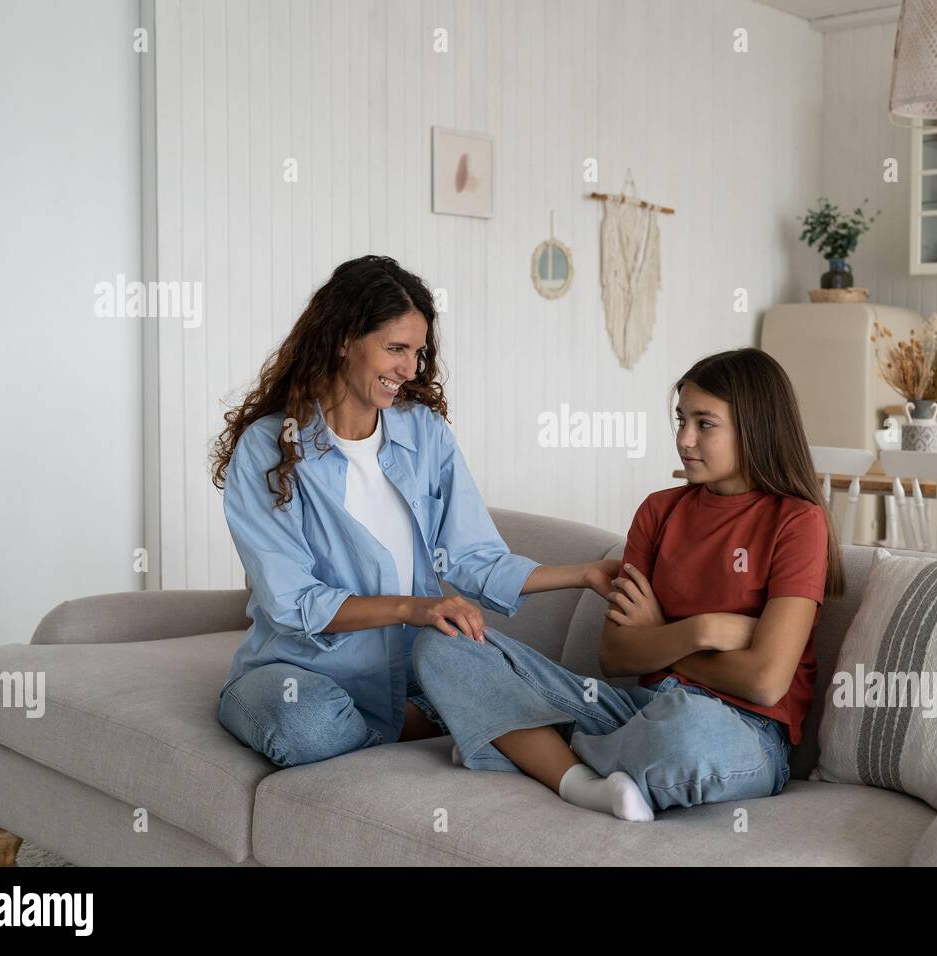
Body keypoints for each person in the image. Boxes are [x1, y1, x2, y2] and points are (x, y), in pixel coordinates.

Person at [209, 254, 619, 768]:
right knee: (305, 723)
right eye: (395, 348)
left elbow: (473, 557)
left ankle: (415, 719)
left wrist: (584, 573)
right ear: (342, 339)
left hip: (406, 675)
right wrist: (414, 607)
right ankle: (425, 725)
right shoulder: (270, 449)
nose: (408, 369)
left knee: (486, 668)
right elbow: (295, 604)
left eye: (417, 352)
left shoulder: (424, 434)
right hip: (299, 671)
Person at [413, 348, 844, 821]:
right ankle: (553, 759)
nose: (684, 439)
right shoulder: (659, 511)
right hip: (633, 711)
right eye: (681, 420)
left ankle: (519, 746)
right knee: (443, 642)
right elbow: (615, 656)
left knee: (686, 733)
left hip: (741, 731)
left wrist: (661, 635)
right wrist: (700, 631)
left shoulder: (798, 521)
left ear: (756, 426)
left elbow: (764, 682)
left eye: (705, 424)